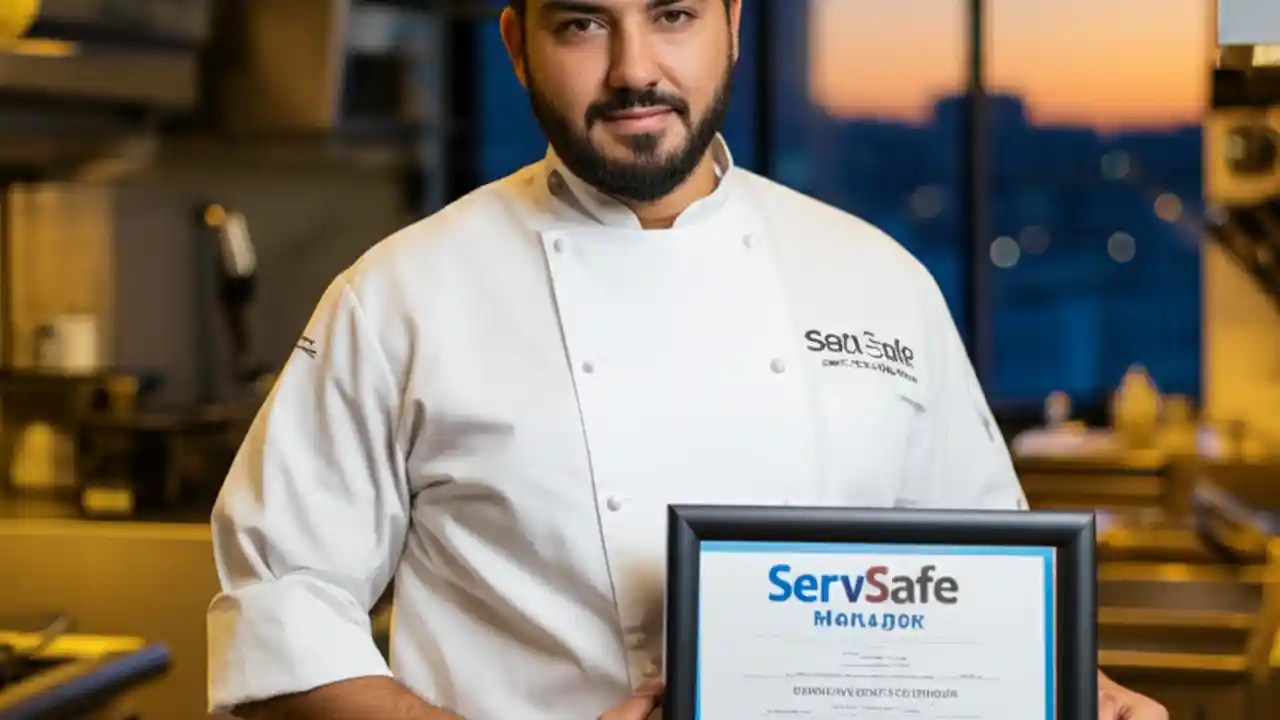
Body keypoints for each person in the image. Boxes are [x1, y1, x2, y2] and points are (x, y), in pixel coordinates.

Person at [205, 1, 1168, 718]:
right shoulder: (403, 294)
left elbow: (977, 577)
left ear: (733, 27)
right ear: (515, 45)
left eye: (673, 16)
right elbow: (280, 605)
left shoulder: (878, 279)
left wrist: (1082, 689)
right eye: (583, 24)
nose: (635, 69)